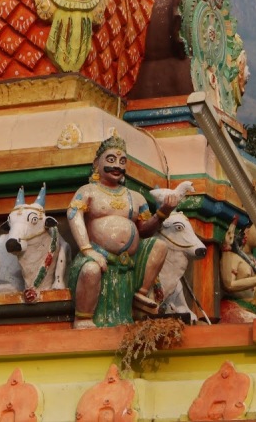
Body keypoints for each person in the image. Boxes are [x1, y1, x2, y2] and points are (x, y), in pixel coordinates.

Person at [66, 134, 182, 328]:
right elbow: (73, 215)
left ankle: (140, 296)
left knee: (159, 245)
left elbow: (145, 230)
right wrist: (88, 250)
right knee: (91, 270)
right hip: (97, 255)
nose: (117, 166)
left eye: (122, 161)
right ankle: (84, 318)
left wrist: (163, 212)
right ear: (97, 162)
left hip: (129, 261)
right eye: (110, 160)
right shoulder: (88, 191)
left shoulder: (135, 197)